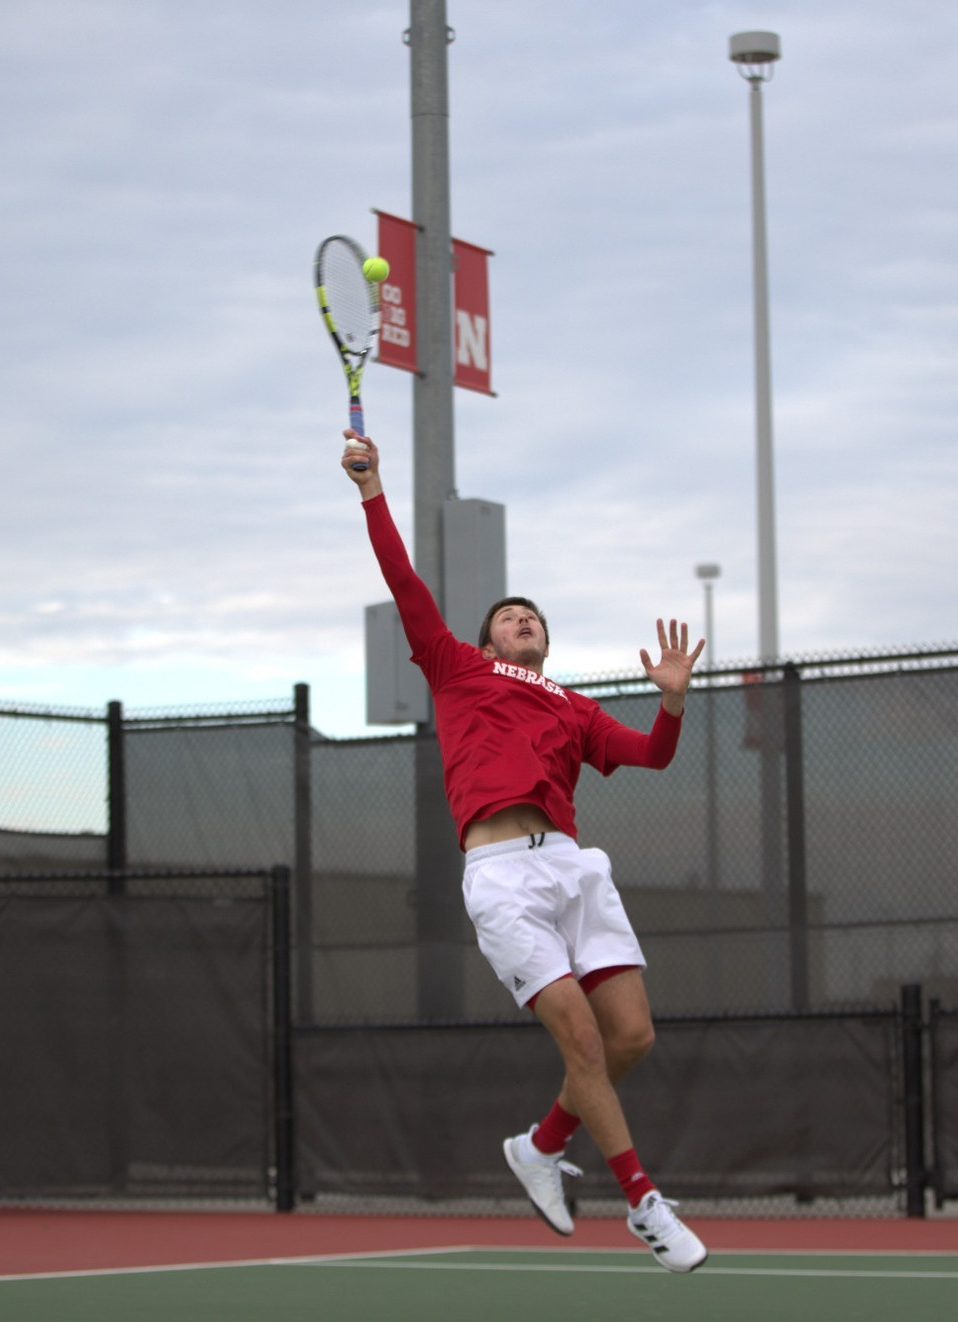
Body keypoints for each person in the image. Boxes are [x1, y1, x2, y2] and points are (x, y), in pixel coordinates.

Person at [341, 430, 709, 1273]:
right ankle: (645, 1205)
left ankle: (542, 1145)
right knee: (580, 1040)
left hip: (575, 866)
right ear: (488, 639)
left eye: (534, 615)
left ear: (546, 641)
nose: (523, 618)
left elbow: (652, 755)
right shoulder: (456, 668)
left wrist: (675, 704)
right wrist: (371, 492)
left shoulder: (574, 708)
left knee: (631, 1037)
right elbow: (403, 582)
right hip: (502, 874)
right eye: (510, 615)